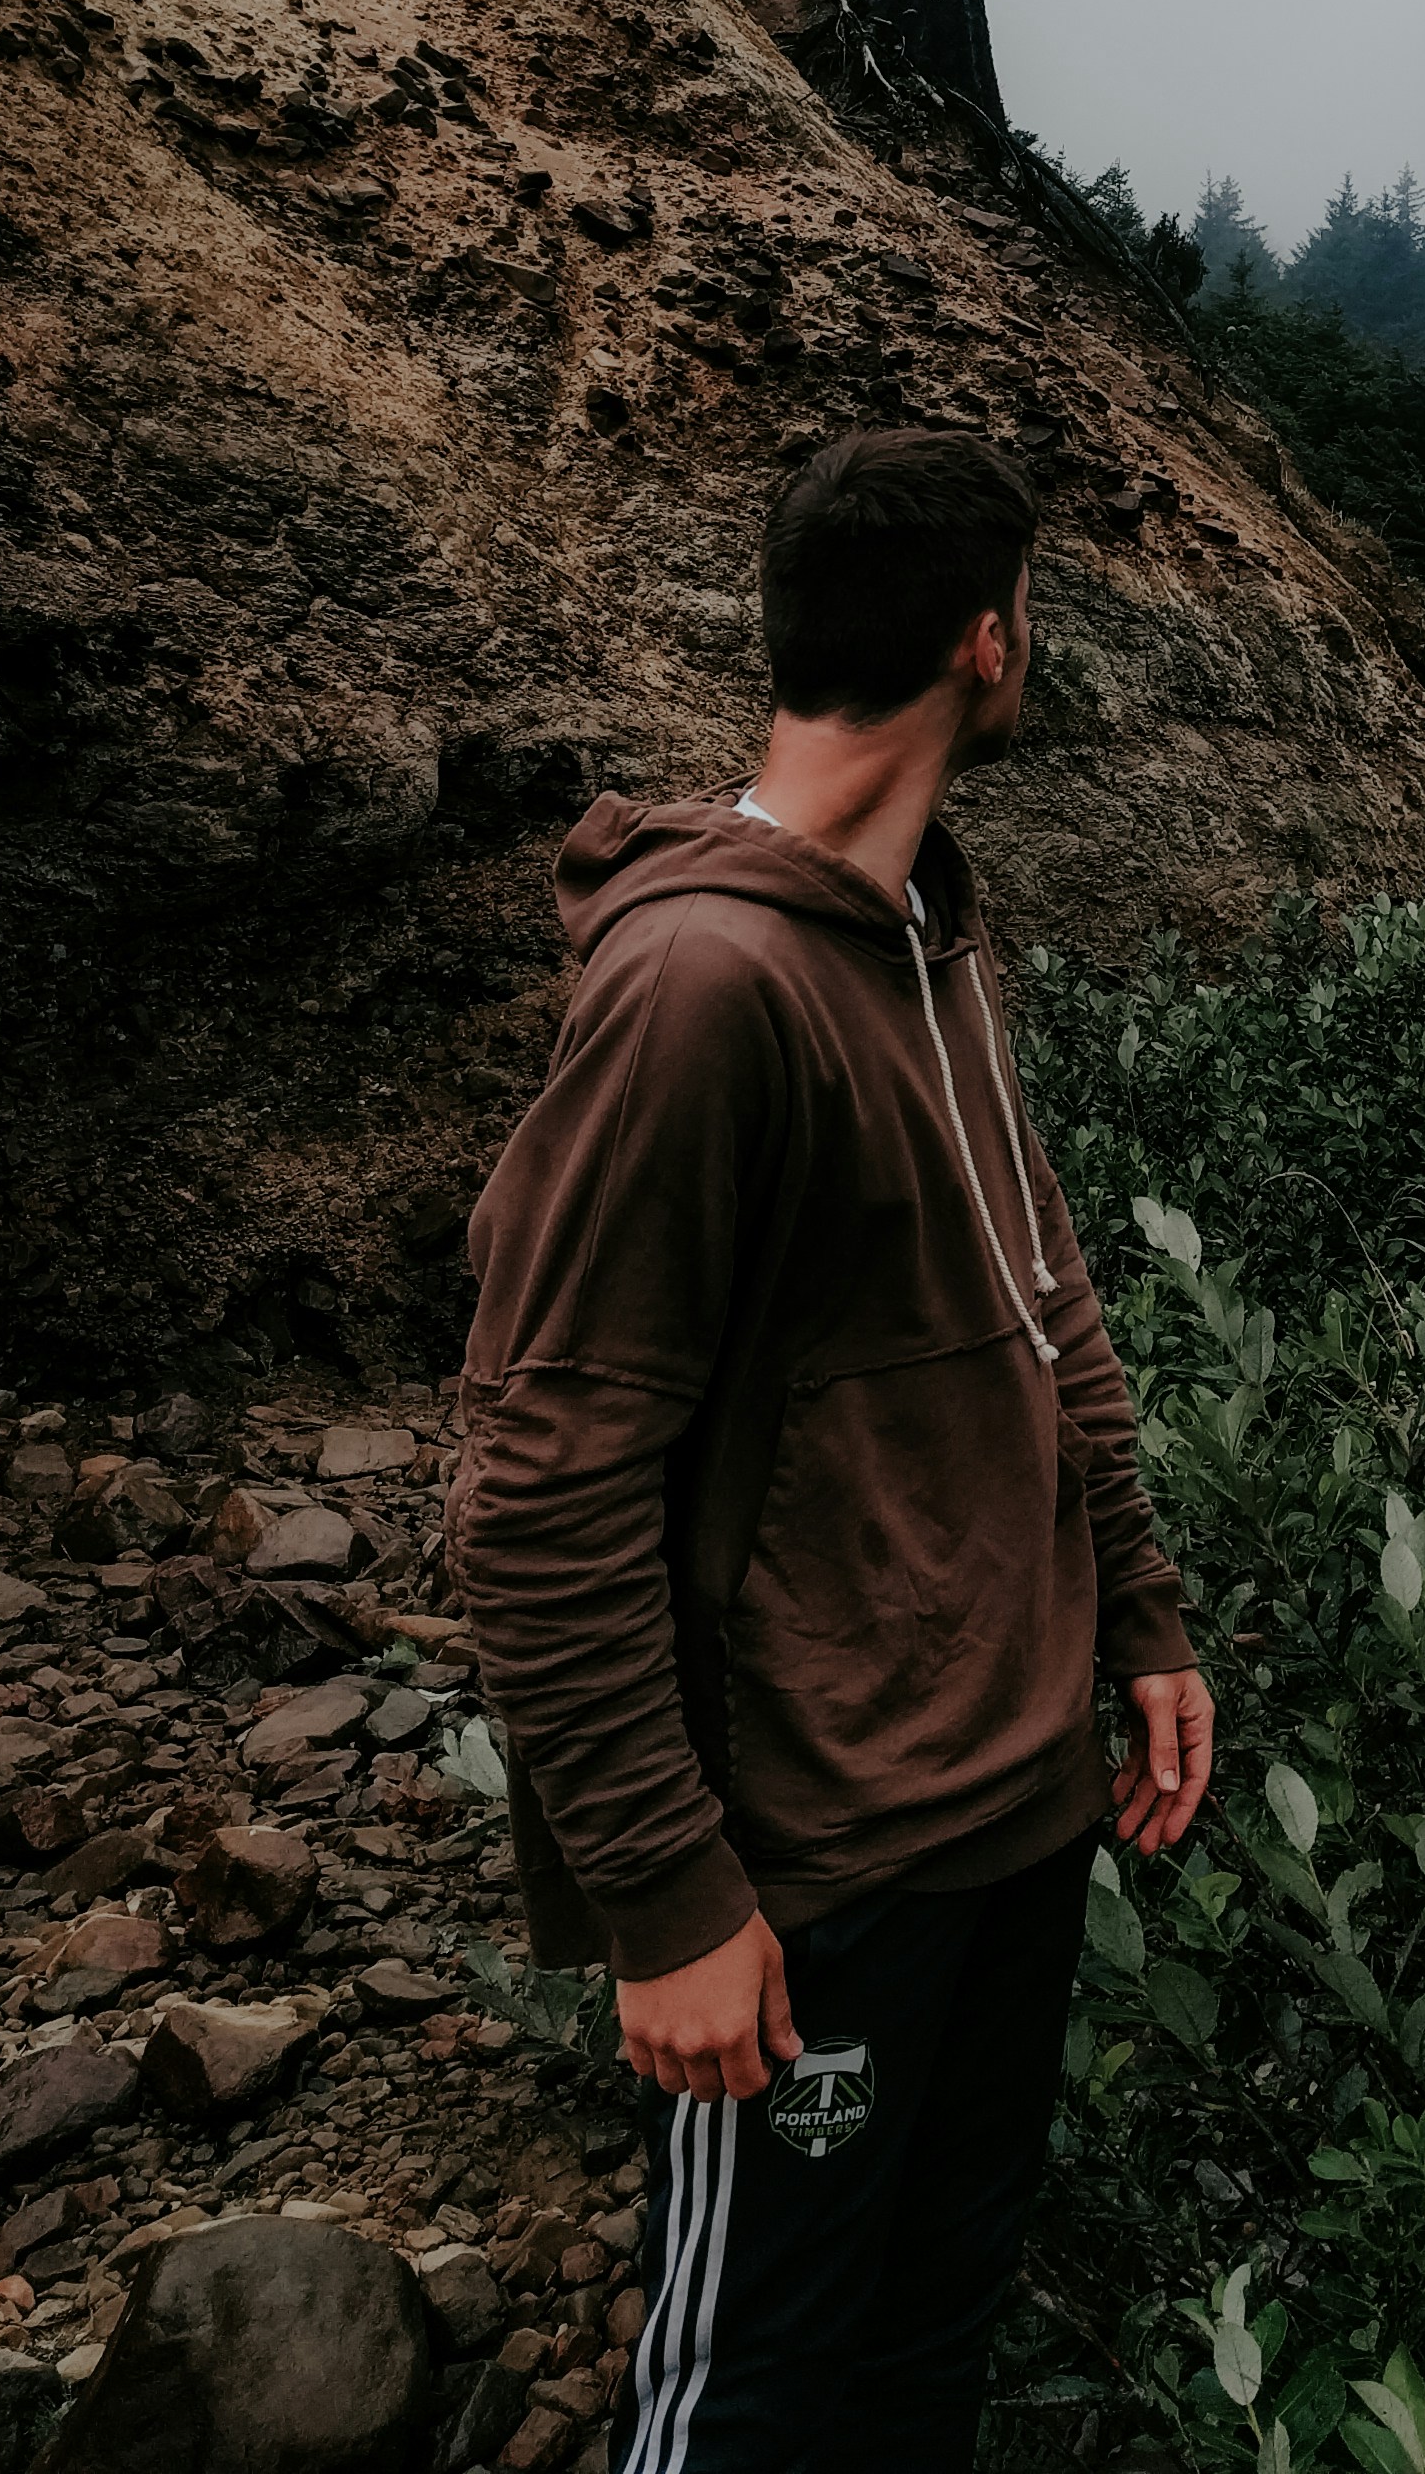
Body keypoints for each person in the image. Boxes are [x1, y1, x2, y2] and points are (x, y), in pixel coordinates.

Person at [449, 428, 1213, 2470]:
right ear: (988, 641)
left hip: (1017, 1807)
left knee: (926, 2353)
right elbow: (539, 1485)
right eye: (1027, 616)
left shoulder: (923, 923)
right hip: (821, 1858)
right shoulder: (701, 985)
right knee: (756, 2401)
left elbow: (1048, 1302)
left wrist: (1137, 1616)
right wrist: (667, 1898)